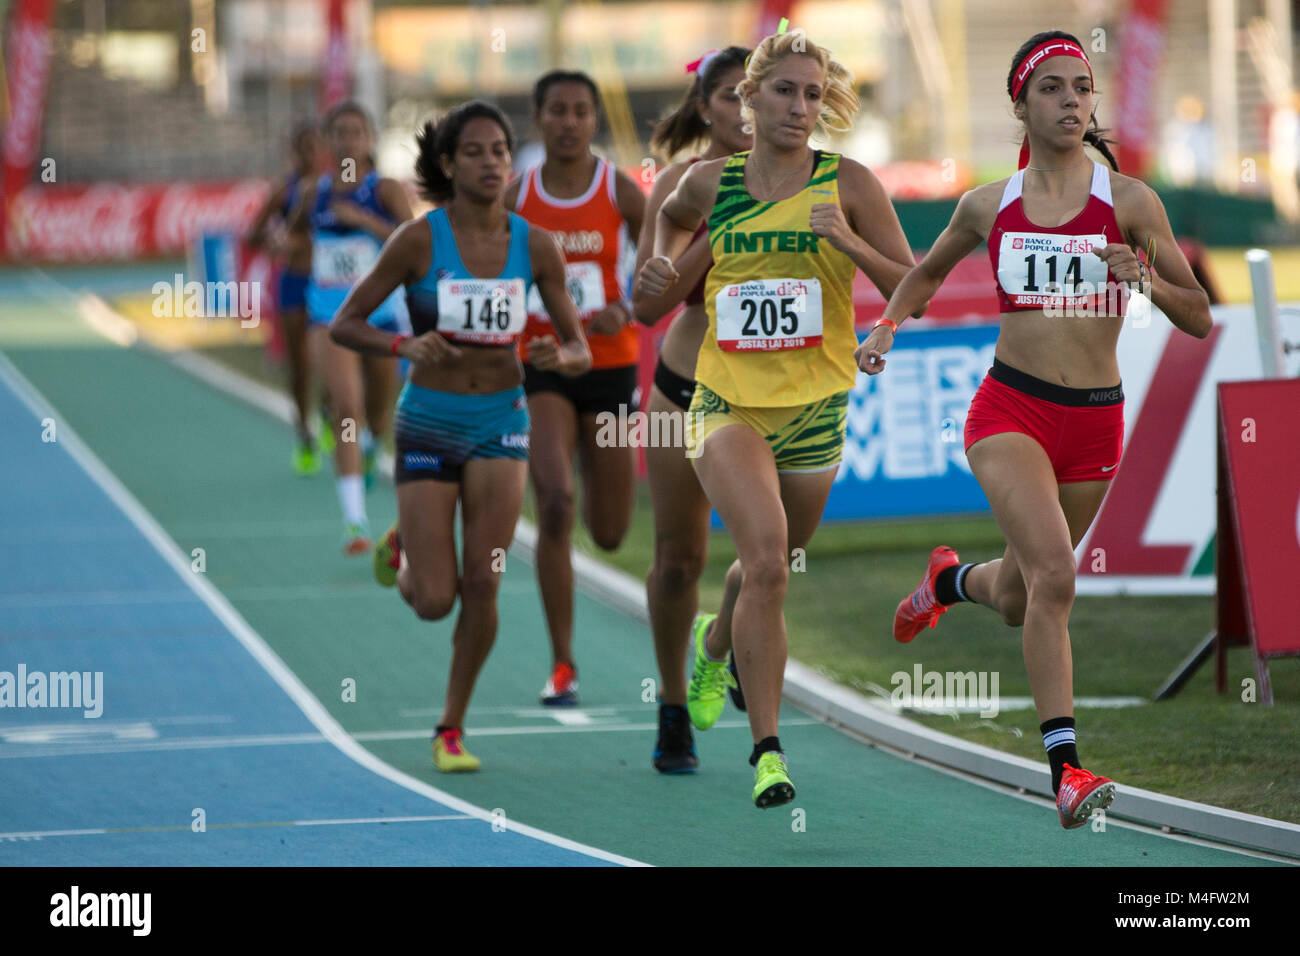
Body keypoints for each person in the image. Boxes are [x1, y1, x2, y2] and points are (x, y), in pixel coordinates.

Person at [860, 31, 1212, 829]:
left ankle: (947, 582)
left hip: (1095, 424)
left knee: (1021, 598)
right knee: (1056, 575)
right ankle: (1067, 771)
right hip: (1009, 412)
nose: (1070, 101)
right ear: (1019, 104)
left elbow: (1196, 318)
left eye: (1081, 88)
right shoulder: (988, 205)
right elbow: (926, 270)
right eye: (1050, 89)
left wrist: (1148, 280)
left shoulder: (1131, 203)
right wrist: (885, 327)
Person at [638, 29, 918, 807]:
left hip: (817, 408)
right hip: (725, 402)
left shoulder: (849, 183)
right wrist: (658, 263)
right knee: (765, 563)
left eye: (812, 92)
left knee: (771, 561)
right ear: (748, 98)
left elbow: (914, 283)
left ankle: (715, 642)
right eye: (785, 90)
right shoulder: (709, 183)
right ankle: (768, 751)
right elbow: (659, 249)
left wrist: (852, 244)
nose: (800, 106)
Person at [330, 101, 590, 771]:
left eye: (500, 150)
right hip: (429, 422)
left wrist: (563, 358)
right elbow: (346, 324)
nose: (490, 162)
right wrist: (404, 344)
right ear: (448, 164)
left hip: (502, 421)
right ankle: (405, 547)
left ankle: (451, 726)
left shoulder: (533, 244)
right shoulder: (419, 240)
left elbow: (580, 348)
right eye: (473, 151)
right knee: (433, 601)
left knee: (484, 582)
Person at [504, 70, 646, 706]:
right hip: (542, 367)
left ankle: (598, 493)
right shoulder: (517, 195)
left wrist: (632, 307)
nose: (568, 122)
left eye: (580, 111)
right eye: (556, 110)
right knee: (555, 504)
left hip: (611, 367)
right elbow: (485, 269)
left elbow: (667, 260)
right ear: (538, 120)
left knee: (611, 530)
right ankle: (563, 663)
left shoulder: (620, 190)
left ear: (595, 121)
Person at [631, 46, 752, 773]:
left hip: (770, 396)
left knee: (773, 553)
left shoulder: (813, 177)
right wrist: (725, 222)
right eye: (733, 96)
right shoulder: (679, 184)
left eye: (758, 94)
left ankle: (722, 642)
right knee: (680, 560)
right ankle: (674, 706)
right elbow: (651, 301)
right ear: (705, 106)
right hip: (684, 386)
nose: (748, 109)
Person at [292, 102, 413, 554]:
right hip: (329, 317)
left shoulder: (384, 190)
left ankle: (370, 446)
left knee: (379, 413)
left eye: (356, 132)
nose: (347, 140)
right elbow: (295, 235)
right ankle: (355, 522)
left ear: (370, 139)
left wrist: (364, 222)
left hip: (380, 315)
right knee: (348, 407)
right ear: (328, 141)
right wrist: (287, 245)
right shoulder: (313, 193)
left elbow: (413, 241)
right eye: (339, 132)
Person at [245, 123, 326, 474]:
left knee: (332, 361)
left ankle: (329, 410)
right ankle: (304, 434)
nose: (310, 154)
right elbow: (252, 235)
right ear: (294, 152)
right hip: (294, 280)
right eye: (303, 148)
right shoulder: (284, 190)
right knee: (300, 366)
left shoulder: (334, 187)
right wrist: (275, 240)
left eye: (315, 147)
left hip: (327, 283)